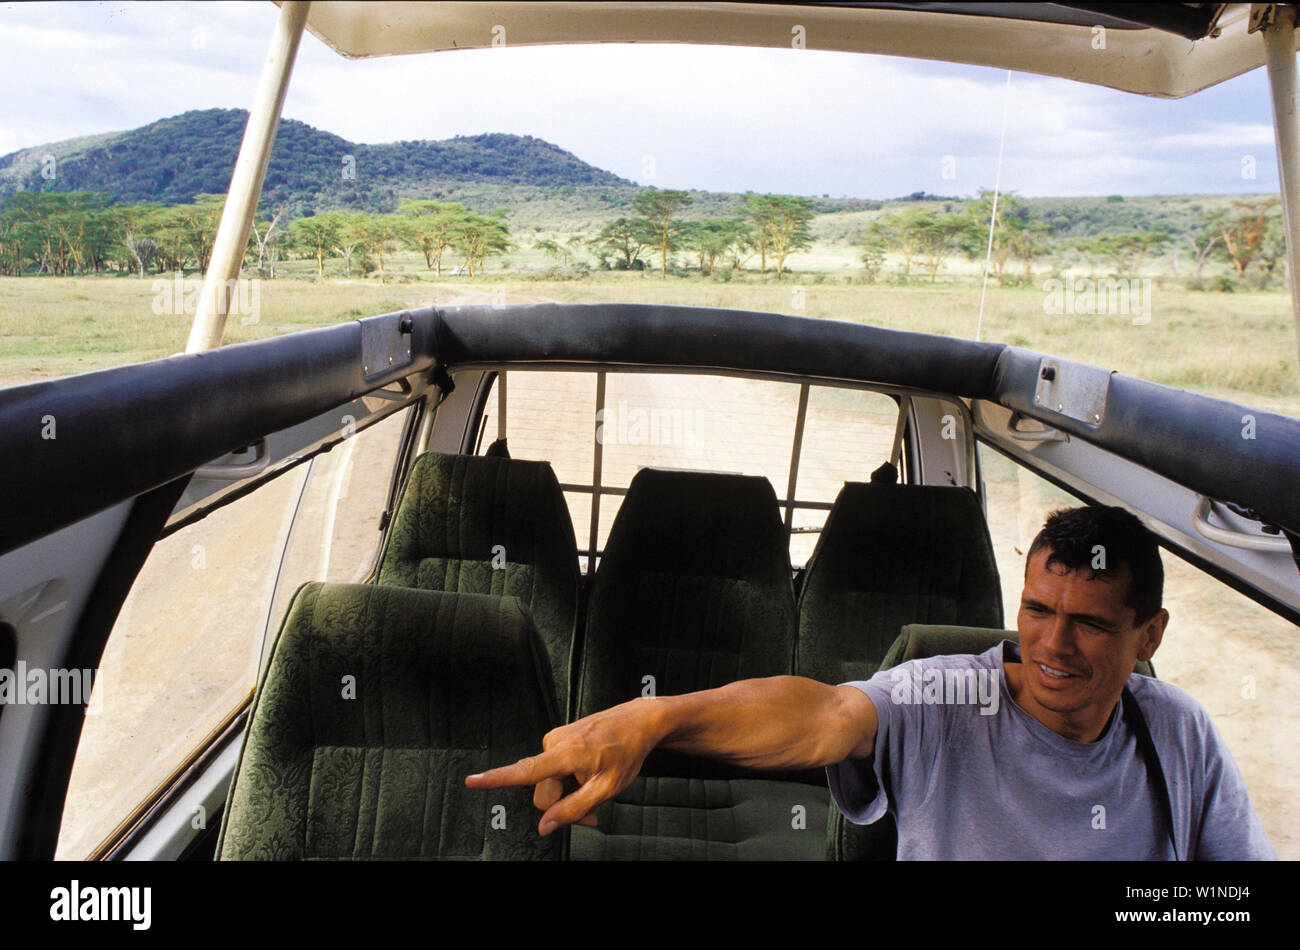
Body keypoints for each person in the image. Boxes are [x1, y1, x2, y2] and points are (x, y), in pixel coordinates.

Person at [466, 505, 1276, 859]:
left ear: (1149, 637)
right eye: (1036, 609)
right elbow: (820, 716)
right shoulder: (950, 696)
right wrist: (658, 717)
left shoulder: (1177, 730)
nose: (1051, 644)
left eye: (1091, 623)